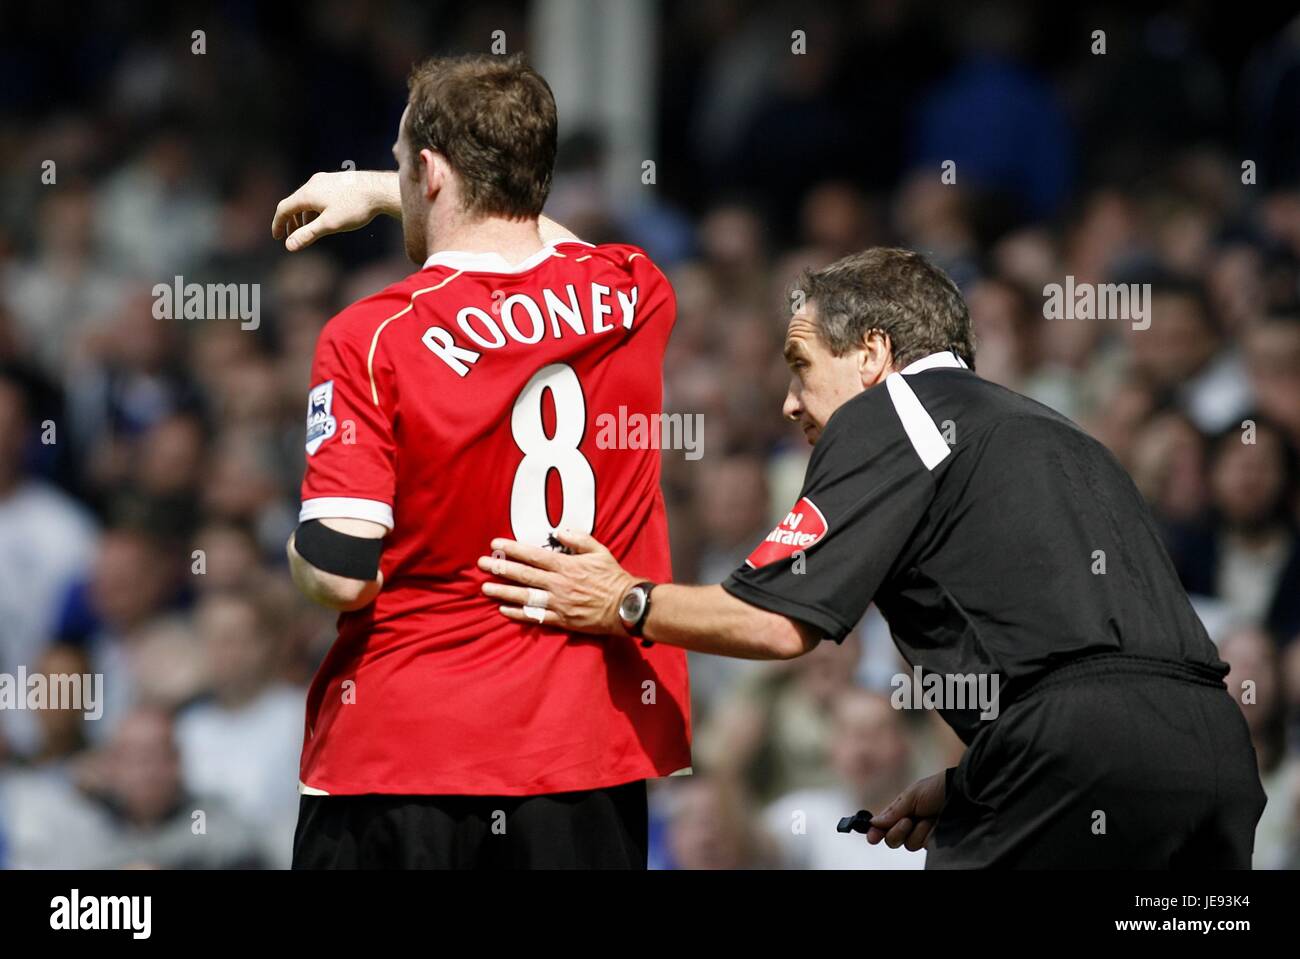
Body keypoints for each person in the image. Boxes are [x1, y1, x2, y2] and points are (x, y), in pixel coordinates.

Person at [480, 247, 1267, 868]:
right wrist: (974, 780)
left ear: (872, 354)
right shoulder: (1062, 434)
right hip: (1213, 755)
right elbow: (1105, 653)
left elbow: (775, 621)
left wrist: (624, 600)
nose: (790, 402)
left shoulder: (896, 409)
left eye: (801, 365)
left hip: (1072, 753)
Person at [273, 54, 690, 869]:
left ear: (429, 171)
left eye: (400, 162)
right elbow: (548, 240)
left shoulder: (371, 335)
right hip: (584, 757)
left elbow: (341, 570)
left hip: (401, 759)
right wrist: (399, 186)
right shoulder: (635, 293)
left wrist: (290, 554)